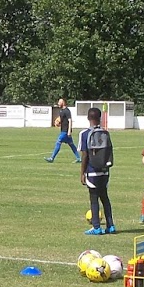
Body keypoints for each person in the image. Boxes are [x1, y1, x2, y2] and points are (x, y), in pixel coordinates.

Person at [80, 106, 115, 235]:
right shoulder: (105, 133)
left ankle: (96, 227)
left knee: (94, 198)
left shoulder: (84, 134)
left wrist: (82, 173)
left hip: (92, 170)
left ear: (88, 118)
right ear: (99, 118)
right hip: (105, 171)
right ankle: (110, 226)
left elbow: (84, 155)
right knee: (105, 198)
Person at [46, 98, 79, 163]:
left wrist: (69, 131)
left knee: (58, 142)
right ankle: (79, 158)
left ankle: (52, 158)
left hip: (65, 131)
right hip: (63, 130)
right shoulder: (61, 111)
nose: (58, 103)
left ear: (63, 102)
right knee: (72, 145)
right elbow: (63, 120)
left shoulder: (67, 111)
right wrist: (58, 123)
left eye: (59, 102)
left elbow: (70, 121)